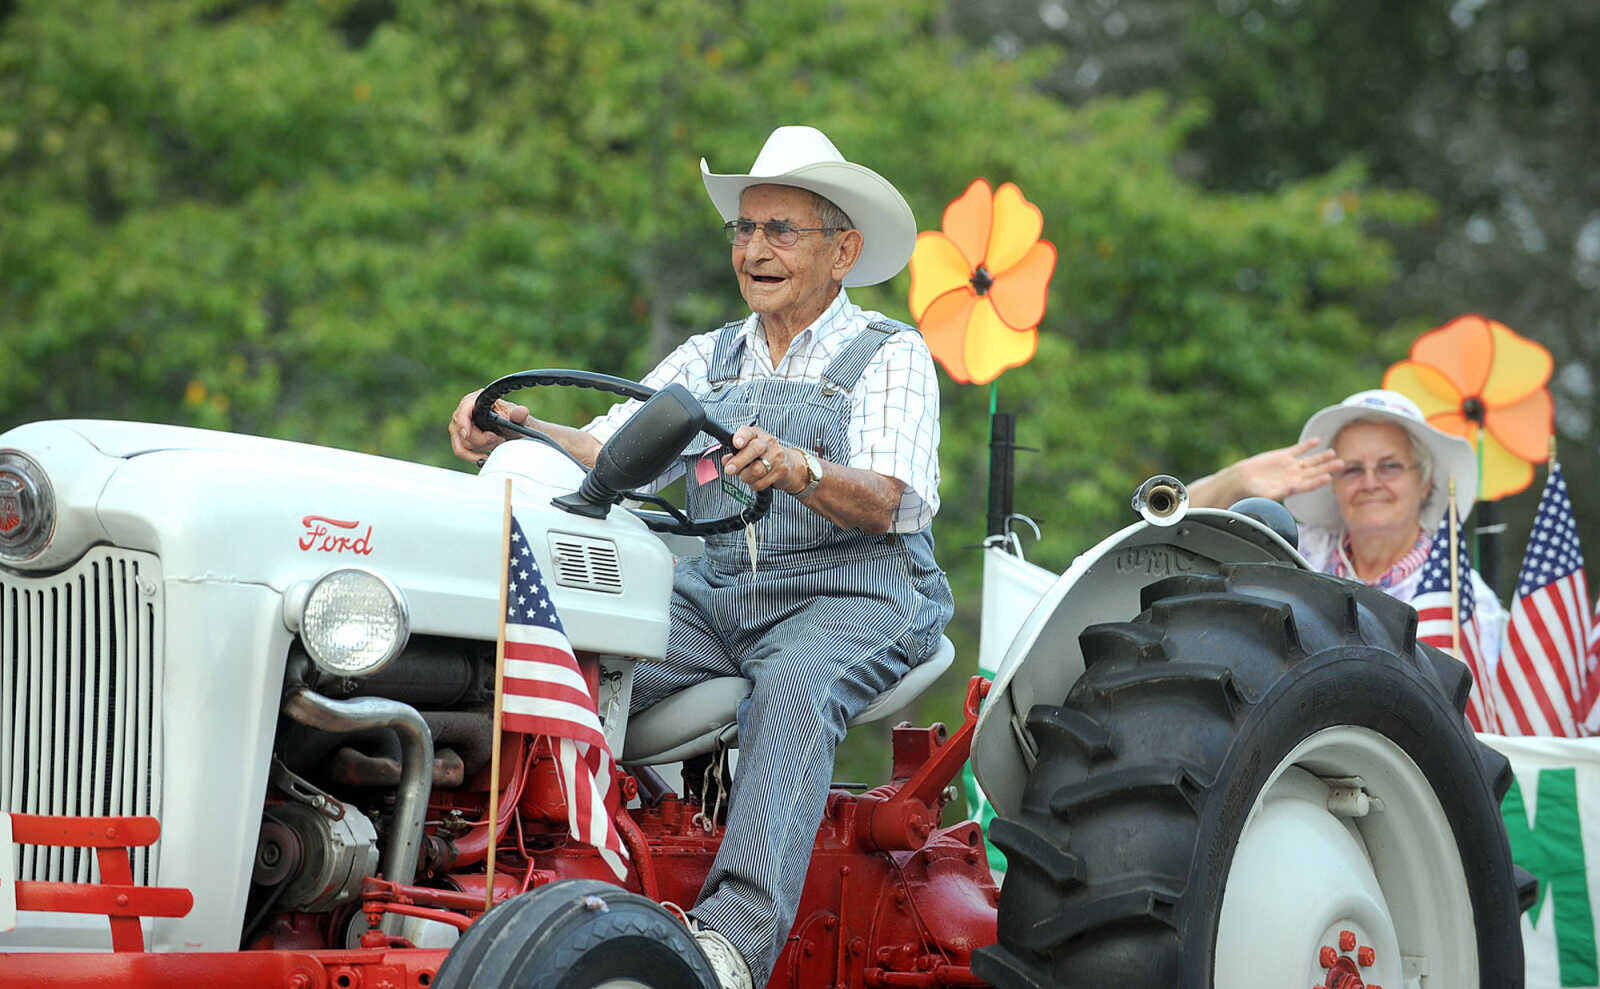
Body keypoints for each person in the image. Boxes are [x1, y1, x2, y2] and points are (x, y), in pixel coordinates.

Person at [449, 125, 953, 989]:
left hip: (861, 593)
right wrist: (522, 428)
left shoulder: (889, 354)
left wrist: (799, 466)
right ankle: (523, 874)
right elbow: (614, 450)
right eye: (744, 230)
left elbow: (891, 500)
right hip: (725, 596)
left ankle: (727, 946)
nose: (754, 250)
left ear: (845, 250)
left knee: (795, 687)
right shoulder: (709, 357)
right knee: (573, 656)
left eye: (780, 231)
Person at [1188, 389, 1506, 653]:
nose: (1370, 483)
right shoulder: (1291, 549)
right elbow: (1174, 534)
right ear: (1334, 484)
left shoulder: (1466, 598)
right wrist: (1234, 480)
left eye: (1390, 466)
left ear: (1424, 482)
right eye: (1352, 469)